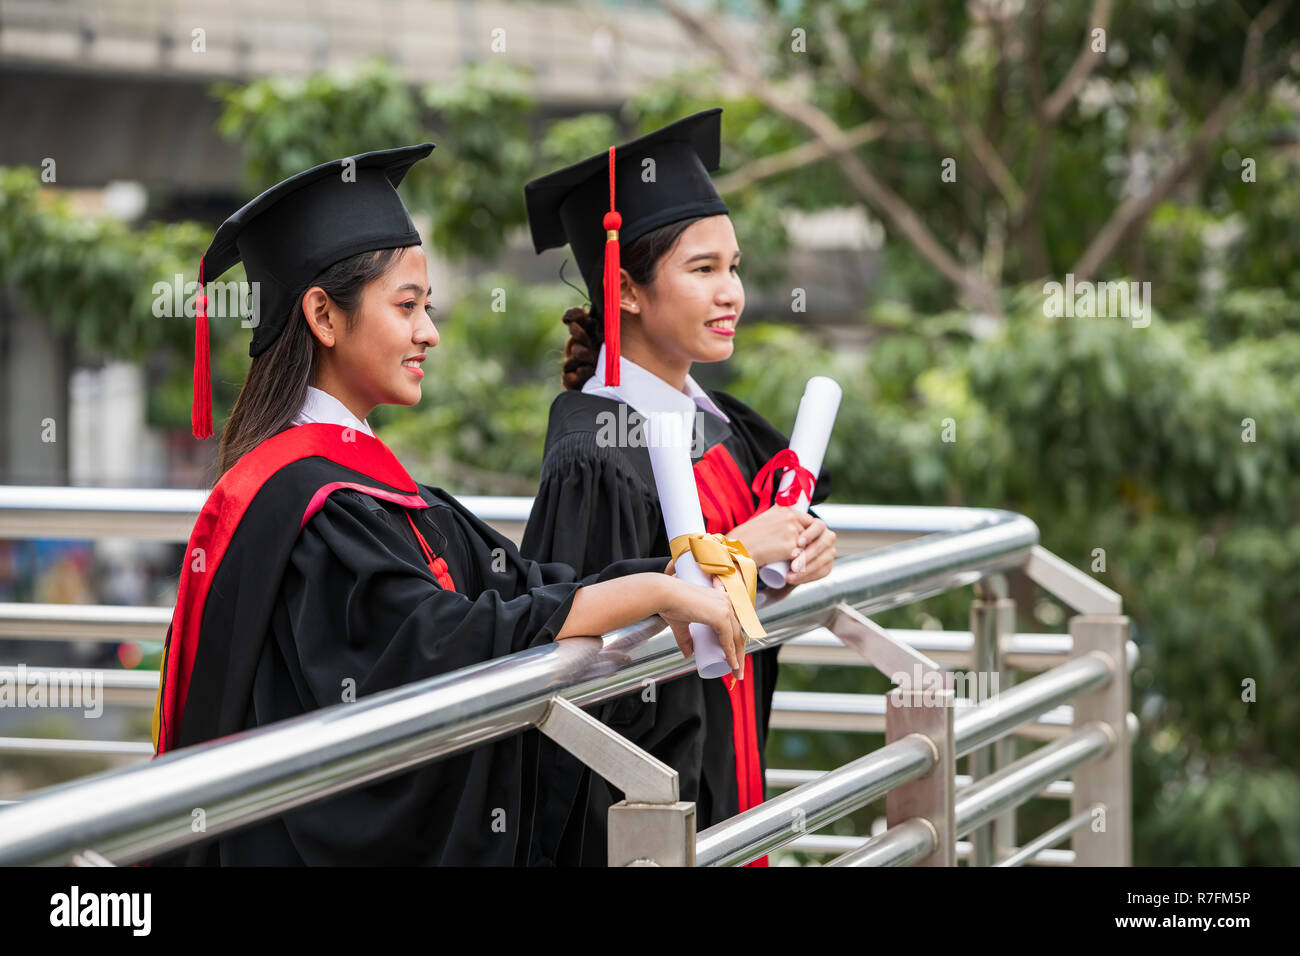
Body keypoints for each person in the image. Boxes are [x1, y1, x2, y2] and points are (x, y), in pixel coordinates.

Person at [150, 143, 746, 866]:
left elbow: (522, 587)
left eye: (426, 307)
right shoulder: (308, 502)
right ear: (323, 315)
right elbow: (437, 640)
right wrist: (654, 589)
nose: (429, 331)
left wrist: (673, 578)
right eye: (407, 307)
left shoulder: (367, 486)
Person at [519, 109, 838, 866]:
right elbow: (586, 649)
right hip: (642, 813)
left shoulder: (723, 424)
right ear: (626, 290)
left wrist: (803, 551)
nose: (732, 292)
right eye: (703, 270)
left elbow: (763, 558)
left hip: (731, 776)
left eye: (734, 266)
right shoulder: (592, 453)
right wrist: (735, 554)